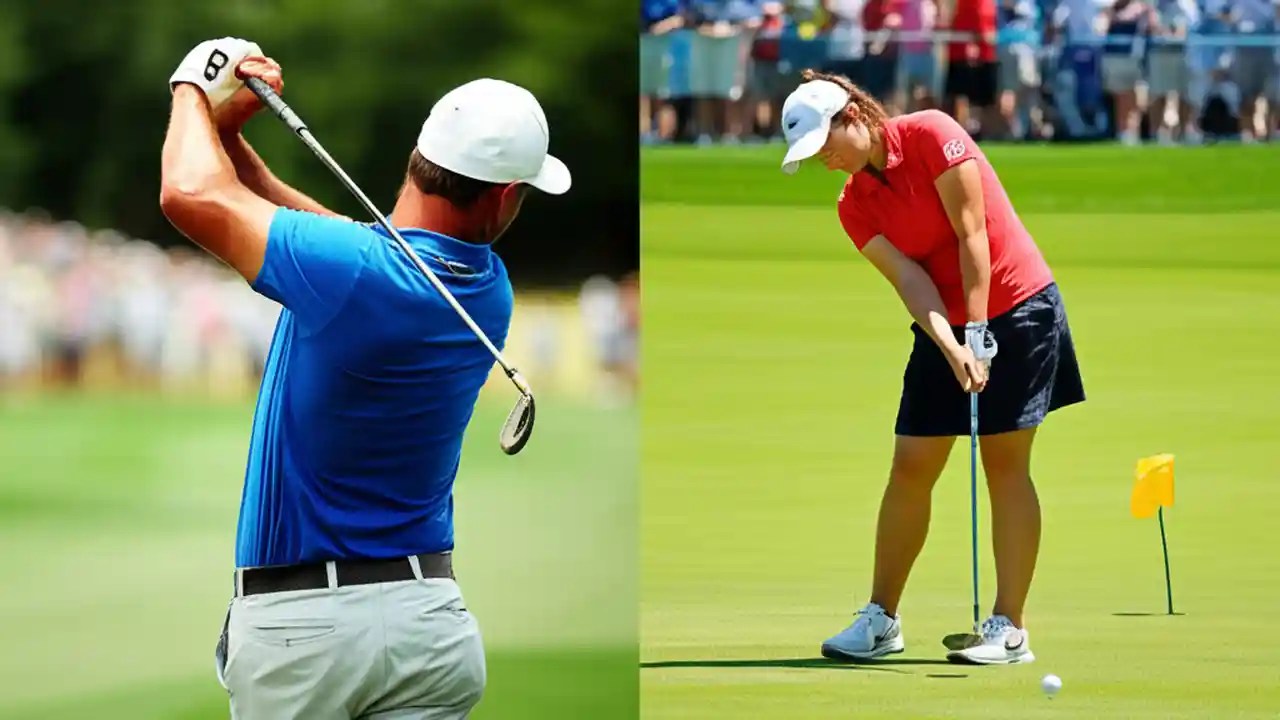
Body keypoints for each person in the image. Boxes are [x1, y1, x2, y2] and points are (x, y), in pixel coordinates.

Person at [159, 37, 570, 718]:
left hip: (304, 637)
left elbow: (188, 193)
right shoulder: (485, 290)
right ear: (502, 196)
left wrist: (193, 83)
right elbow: (314, 234)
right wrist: (227, 134)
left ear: (422, 156)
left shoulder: (350, 272)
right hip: (430, 629)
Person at [776, 69, 1085, 664]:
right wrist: (951, 346)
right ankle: (881, 618)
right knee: (912, 461)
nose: (825, 162)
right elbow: (911, 281)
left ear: (854, 118)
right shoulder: (854, 206)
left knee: (1004, 461)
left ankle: (1010, 627)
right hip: (943, 321)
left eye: (825, 146)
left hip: (1018, 307)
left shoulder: (932, 134)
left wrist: (979, 333)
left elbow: (973, 235)